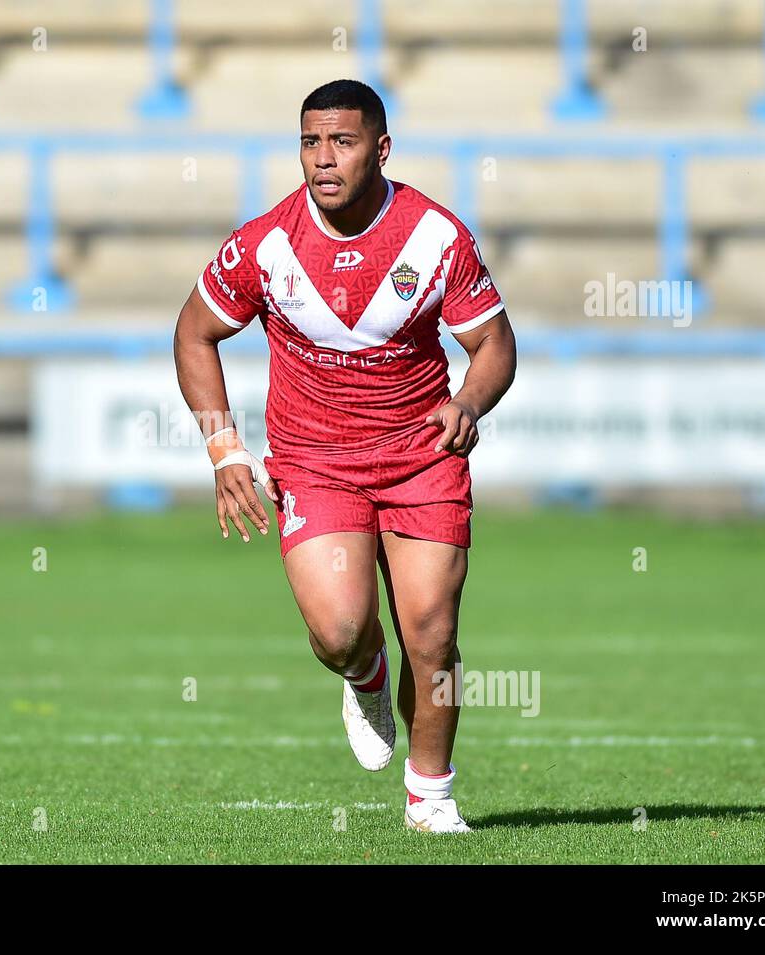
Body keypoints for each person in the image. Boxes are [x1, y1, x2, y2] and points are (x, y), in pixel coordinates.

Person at [172, 79, 517, 833]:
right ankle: (364, 673)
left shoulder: (436, 236)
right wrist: (225, 450)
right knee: (339, 631)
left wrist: (468, 402)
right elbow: (193, 331)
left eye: (343, 141)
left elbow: (494, 343)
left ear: (381, 148)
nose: (323, 160)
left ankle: (431, 798)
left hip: (422, 455)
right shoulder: (265, 245)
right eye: (310, 142)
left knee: (433, 630)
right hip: (317, 461)